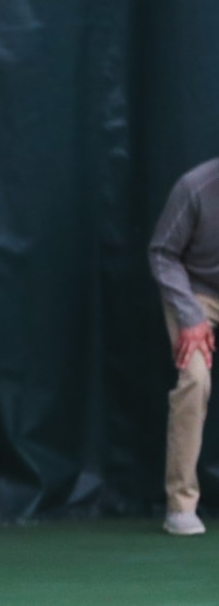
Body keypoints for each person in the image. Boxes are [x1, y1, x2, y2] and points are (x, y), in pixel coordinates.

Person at [149, 157, 219, 536]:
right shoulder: (194, 186)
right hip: (195, 294)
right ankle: (181, 505)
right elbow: (162, 253)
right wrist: (190, 316)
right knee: (195, 378)